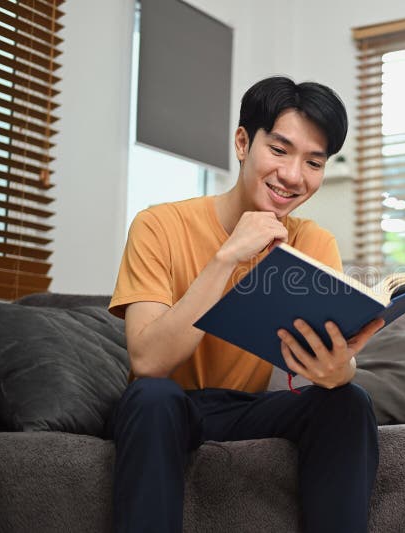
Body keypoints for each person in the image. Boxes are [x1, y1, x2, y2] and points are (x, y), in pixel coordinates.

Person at [107, 76, 384, 533]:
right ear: (242, 142)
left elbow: (329, 369)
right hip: (165, 405)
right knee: (153, 395)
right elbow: (148, 360)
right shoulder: (157, 225)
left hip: (245, 406)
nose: (293, 176)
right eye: (279, 151)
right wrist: (228, 255)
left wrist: (340, 370)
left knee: (349, 401)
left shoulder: (312, 242)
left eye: (313, 162)